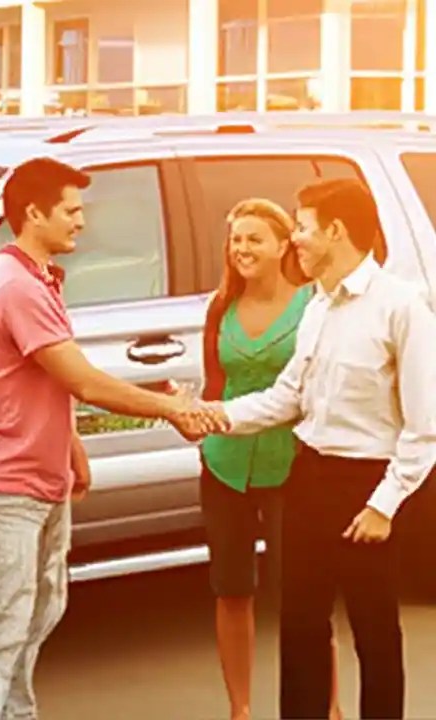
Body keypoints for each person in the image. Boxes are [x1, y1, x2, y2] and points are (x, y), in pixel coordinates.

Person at [0, 156, 221, 720]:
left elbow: (50, 383)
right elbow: (81, 379)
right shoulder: (16, 286)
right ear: (33, 213)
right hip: (6, 484)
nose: (81, 222)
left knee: (40, 609)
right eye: (71, 211)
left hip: (41, 478)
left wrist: (72, 451)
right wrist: (172, 408)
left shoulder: (39, 279)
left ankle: (15, 714)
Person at [198, 177, 436, 719]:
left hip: (368, 485)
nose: (296, 240)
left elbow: (425, 426)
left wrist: (383, 505)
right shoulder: (319, 306)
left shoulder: (402, 307)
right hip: (307, 477)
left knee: (375, 633)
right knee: (300, 626)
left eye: (302, 228)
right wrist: (217, 416)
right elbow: (289, 397)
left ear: (335, 230)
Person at [197, 198, 341, 720]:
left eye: (254, 239)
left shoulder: (314, 307)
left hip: (292, 468)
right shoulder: (221, 306)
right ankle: (240, 708)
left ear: (284, 245)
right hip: (225, 467)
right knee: (233, 591)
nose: (242, 249)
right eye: (236, 240)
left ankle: (327, 707)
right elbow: (215, 385)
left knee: (303, 597)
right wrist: (190, 408)